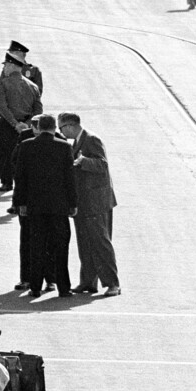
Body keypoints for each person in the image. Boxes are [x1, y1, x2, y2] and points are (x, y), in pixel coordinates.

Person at [13, 112, 76, 299]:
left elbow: (20, 177)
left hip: (35, 206)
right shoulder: (64, 147)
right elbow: (69, 178)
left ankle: (35, 286)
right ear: (54, 128)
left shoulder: (26, 146)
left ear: (38, 128)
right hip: (58, 206)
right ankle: (63, 287)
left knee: (36, 245)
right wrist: (73, 203)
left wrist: (20, 203)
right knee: (60, 246)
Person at [59, 114, 120, 296]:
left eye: (61, 128)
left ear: (70, 126)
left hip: (96, 202)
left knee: (101, 243)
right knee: (85, 243)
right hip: (84, 201)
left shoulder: (92, 140)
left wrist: (83, 161)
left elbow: (102, 164)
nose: (61, 132)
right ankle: (88, 282)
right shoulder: (78, 142)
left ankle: (112, 284)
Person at [0, 41, 43, 212]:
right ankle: (17, 203)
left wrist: (15, 124)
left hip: (7, 128)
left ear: (10, 65)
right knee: (20, 167)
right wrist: (26, 125)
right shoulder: (33, 86)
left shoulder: (4, 84)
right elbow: (38, 110)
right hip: (26, 130)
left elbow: (2, 107)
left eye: (6, 64)